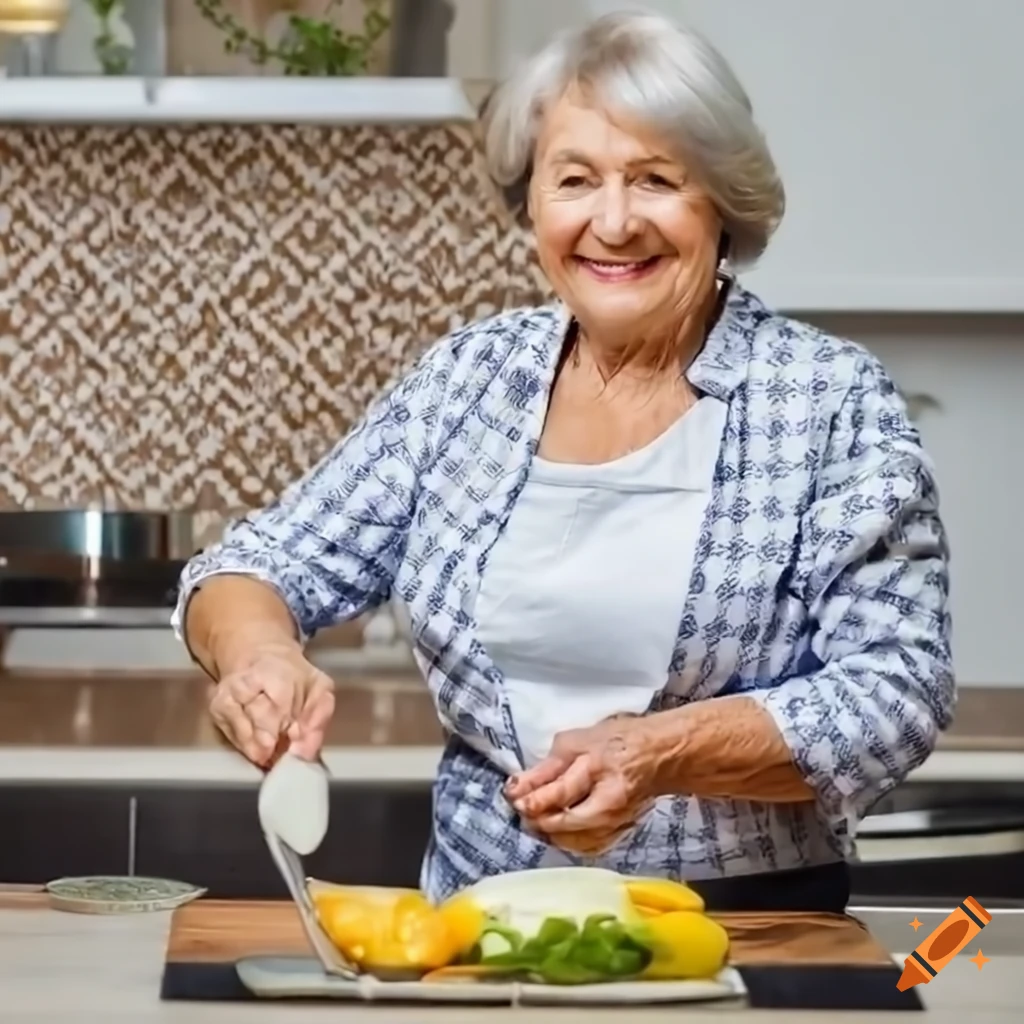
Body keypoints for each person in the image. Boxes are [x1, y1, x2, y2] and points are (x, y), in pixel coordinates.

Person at [174, 10, 955, 912]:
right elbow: (255, 564)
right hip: (480, 924)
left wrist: (659, 754)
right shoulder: (471, 379)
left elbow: (897, 689)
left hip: (744, 928)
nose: (613, 222)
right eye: (576, 179)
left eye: (657, 180)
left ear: (722, 202)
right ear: (533, 201)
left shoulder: (829, 400)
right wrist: (257, 654)